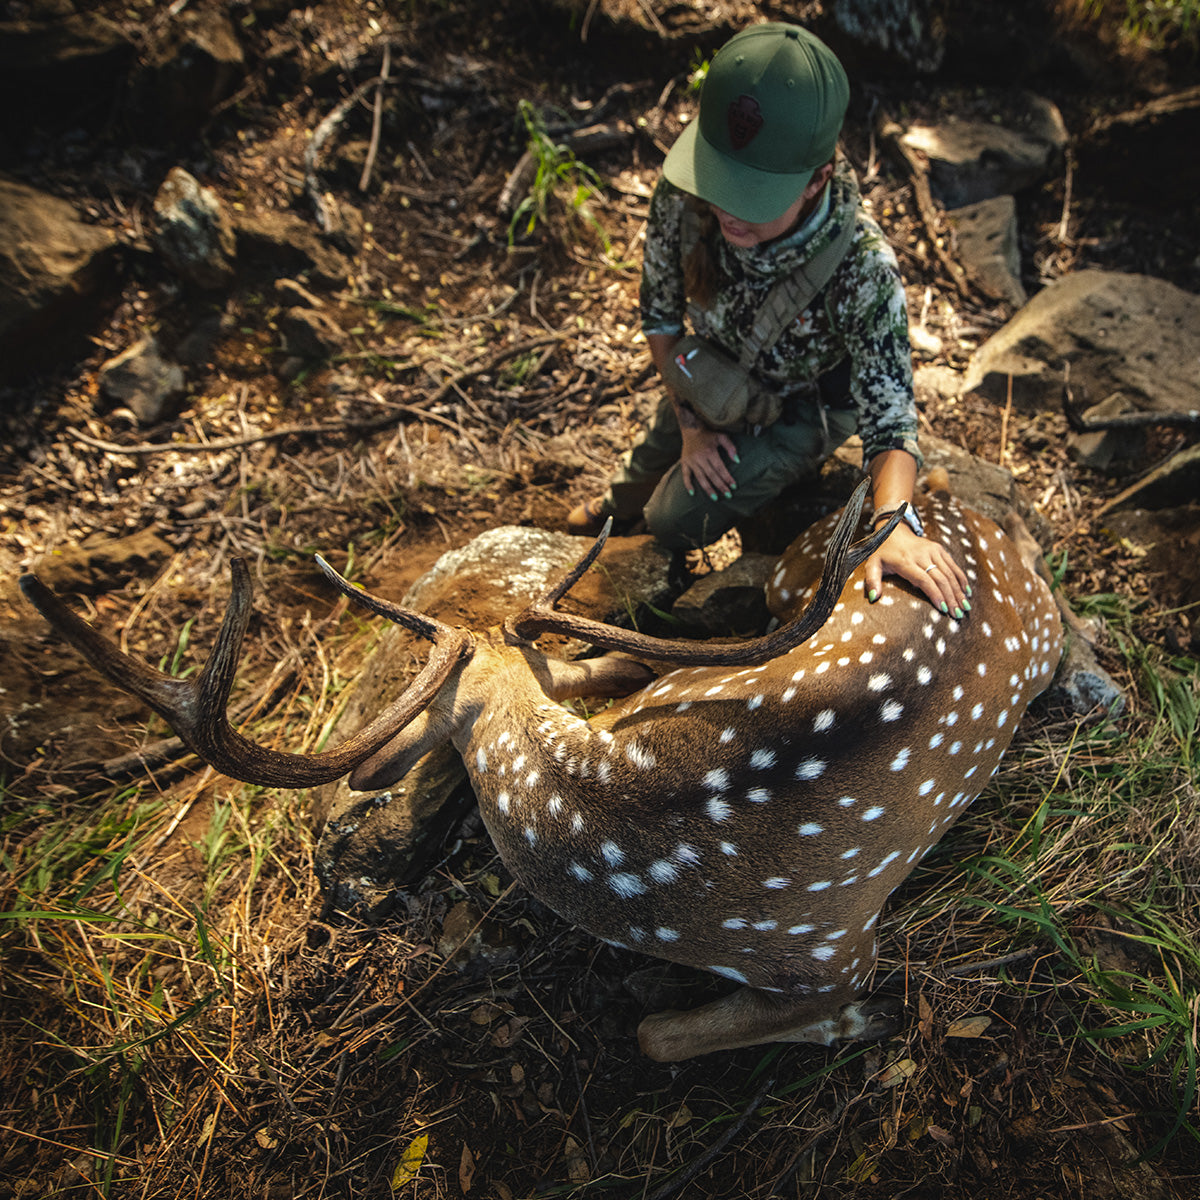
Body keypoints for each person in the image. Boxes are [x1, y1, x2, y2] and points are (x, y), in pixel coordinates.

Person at [567, 22, 970, 617]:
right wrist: (690, 426)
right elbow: (660, 317)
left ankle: (744, 489)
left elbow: (890, 421)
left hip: (799, 405)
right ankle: (616, 504)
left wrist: (892, 525)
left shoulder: (862, 268)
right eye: (721, 182)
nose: (728, 209)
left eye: (753, 195)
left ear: (817, 182)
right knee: (635, 484)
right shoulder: (685, 196)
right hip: (707, 376)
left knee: (671, 519)